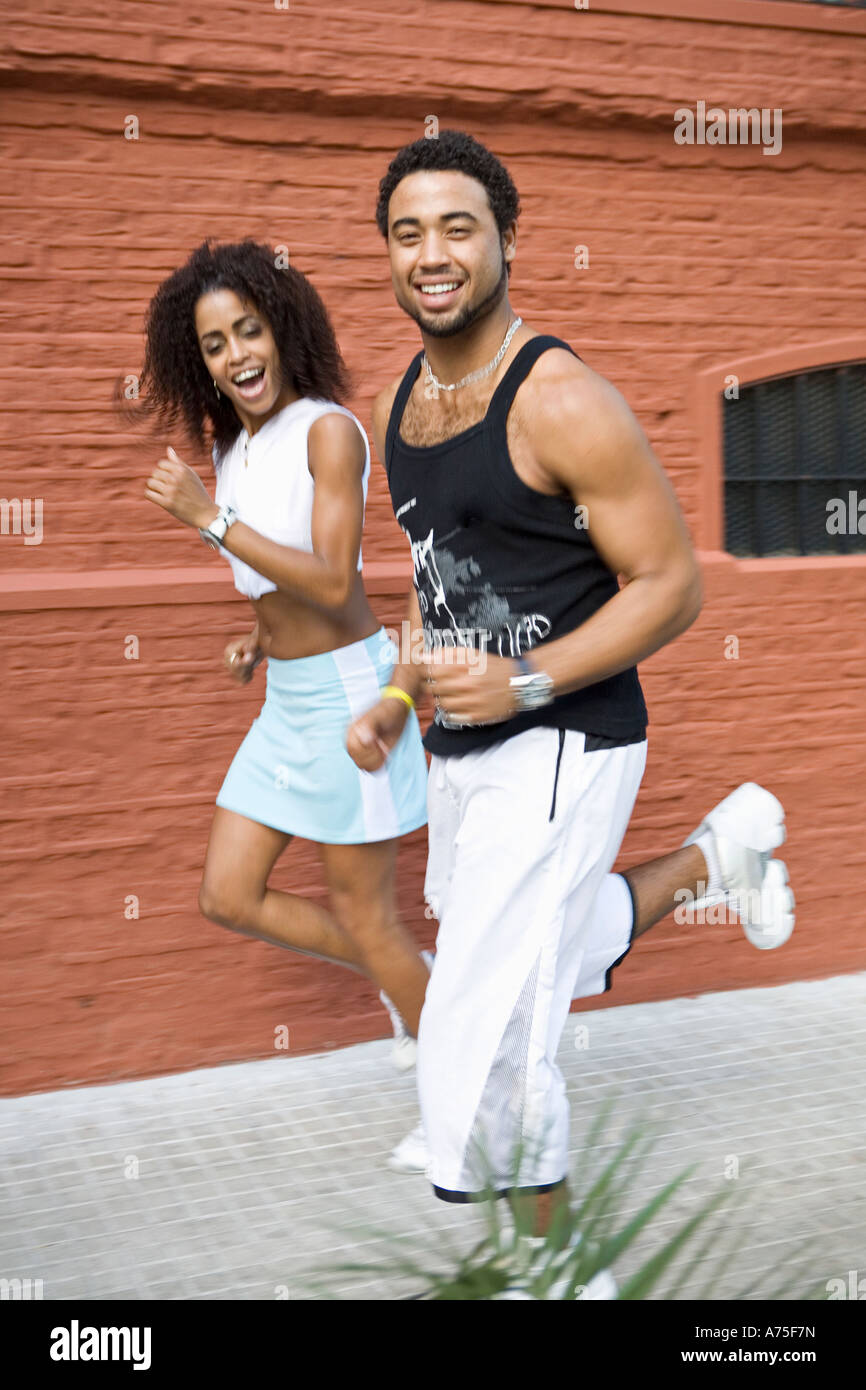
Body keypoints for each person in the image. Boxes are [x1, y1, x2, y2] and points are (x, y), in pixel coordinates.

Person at [345, 132, 794, 1237]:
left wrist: (528, 684)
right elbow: (437, 586)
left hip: (563, 735)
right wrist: (399, 700)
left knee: (486, 1029)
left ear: (505, 238)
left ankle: (556, 1272)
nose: (432, 253)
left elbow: (670, 584)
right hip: (459, 742)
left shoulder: (559, 400)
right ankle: (714, 857)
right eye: (408, 232)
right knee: (525, 946)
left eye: (458, 226)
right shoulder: (404, 402)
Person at [138, 237, 432, 1054]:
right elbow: (276, 581)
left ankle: (477, 1117)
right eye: (215, 343)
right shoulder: (233, 449)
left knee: (369, 919)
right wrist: (258, 639)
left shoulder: (327, 433)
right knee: (228, 894)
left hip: (348, 698)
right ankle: (421, 978)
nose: (237, 355)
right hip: (288, 702)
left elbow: (335, 582)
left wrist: (209, 520)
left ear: (283, 329)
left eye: (250, 330)